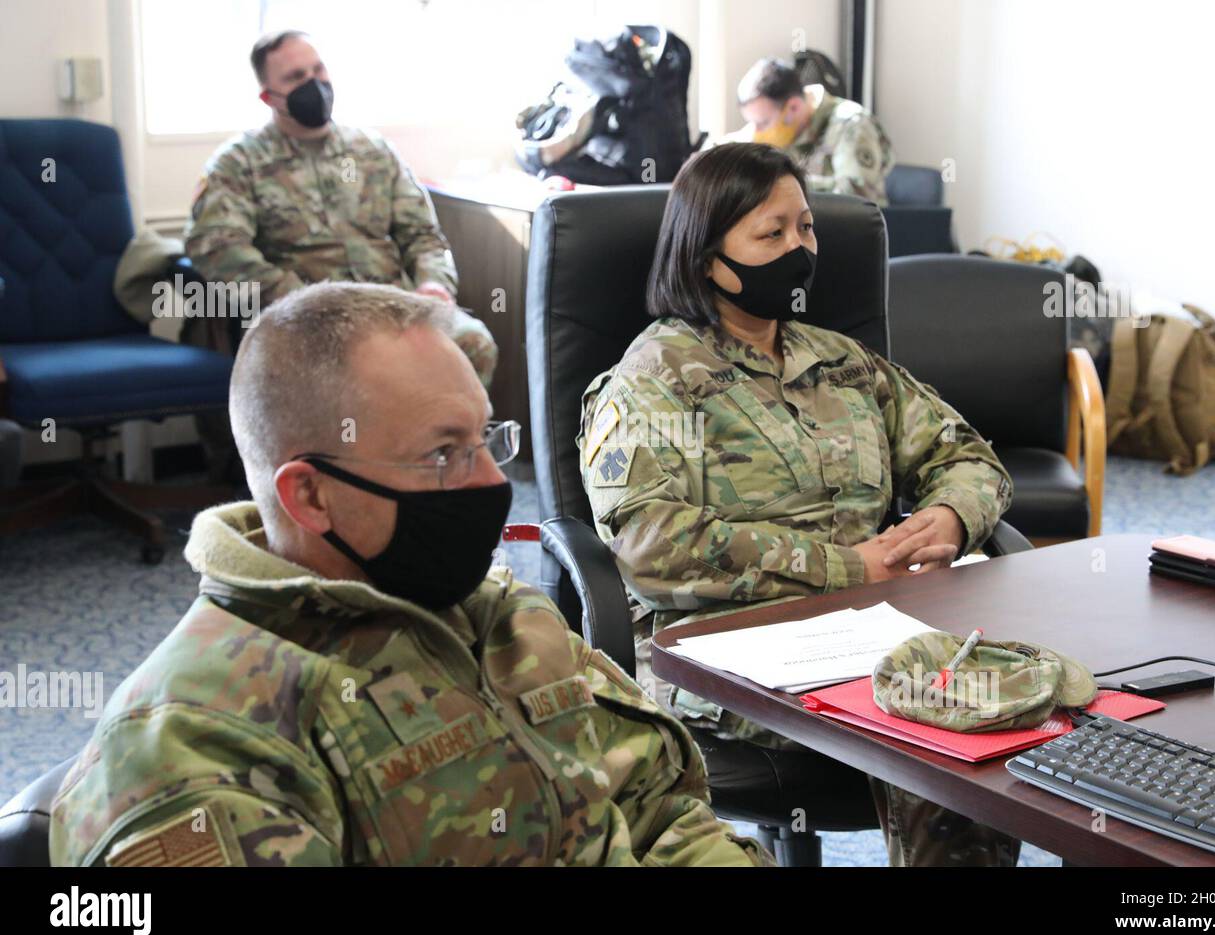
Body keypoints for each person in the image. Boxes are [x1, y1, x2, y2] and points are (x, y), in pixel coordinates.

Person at [48, 282, 767, 867]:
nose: (493, 481)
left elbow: (657, 812)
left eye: (486, 438)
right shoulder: (194, 747)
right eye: (444, 454)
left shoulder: (499, 616)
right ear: (311, 496)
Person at [578, 142, 1018, 866]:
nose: (799, 249)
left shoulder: (841, 360)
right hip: (723, 645)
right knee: (941, 720)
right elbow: (653, 546)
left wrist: (950, 516)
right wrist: (850, 568)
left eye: (806, 228)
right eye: (771, 233)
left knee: (1010, 699)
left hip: (876, 622)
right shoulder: (656, 377)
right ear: (705, 255)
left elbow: (967, 455)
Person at [183, 30, 497, 481]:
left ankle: (443, 470)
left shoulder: (372, 150)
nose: (314, 83)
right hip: (307, 317)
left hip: (396, 306)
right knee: (360, 378)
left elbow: (424, 234)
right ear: (269, 95)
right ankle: (370, 483)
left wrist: (433, 284)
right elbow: (216, 248)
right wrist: (296, 299)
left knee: (473, 341)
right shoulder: (239, 162)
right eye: (296, 77)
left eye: (318, 70)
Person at [712, 57, 894, 205]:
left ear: (794, 107)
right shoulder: (776, 125)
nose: (756, 131)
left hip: (849, 233)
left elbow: (856, 197)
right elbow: (718, 156)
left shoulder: (851, 124)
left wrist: (777, 184)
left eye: (763, 122)